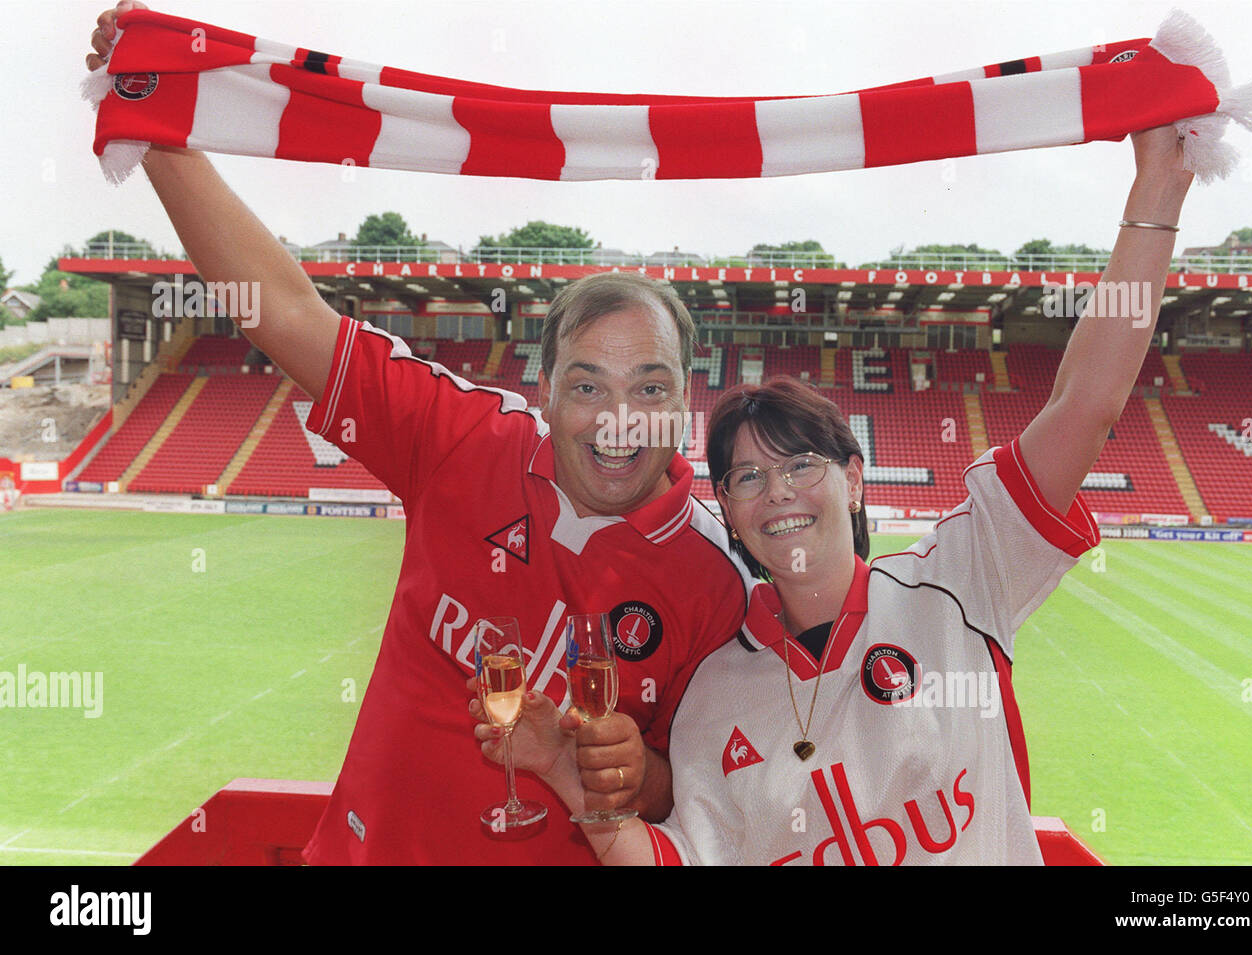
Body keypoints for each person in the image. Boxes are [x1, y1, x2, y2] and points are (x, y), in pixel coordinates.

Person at [87, 2, 751, 864]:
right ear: (545, 389)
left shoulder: (719, 582)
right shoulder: (464, 436)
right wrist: (159, 122)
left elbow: (705, 788)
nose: (618, 416)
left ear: (683, 397)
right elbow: (284, 311)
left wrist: (641, 771)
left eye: (648, 385)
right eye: (588, 384)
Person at [474, 124, 1194, 864]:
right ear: (729, 508)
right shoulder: (713, 693)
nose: (778, 492)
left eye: (800, 464)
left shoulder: (958, 581)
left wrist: (1158, 190)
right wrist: (561, 766)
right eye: (748, 476)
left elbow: (1087, 402)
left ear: (853, 477)